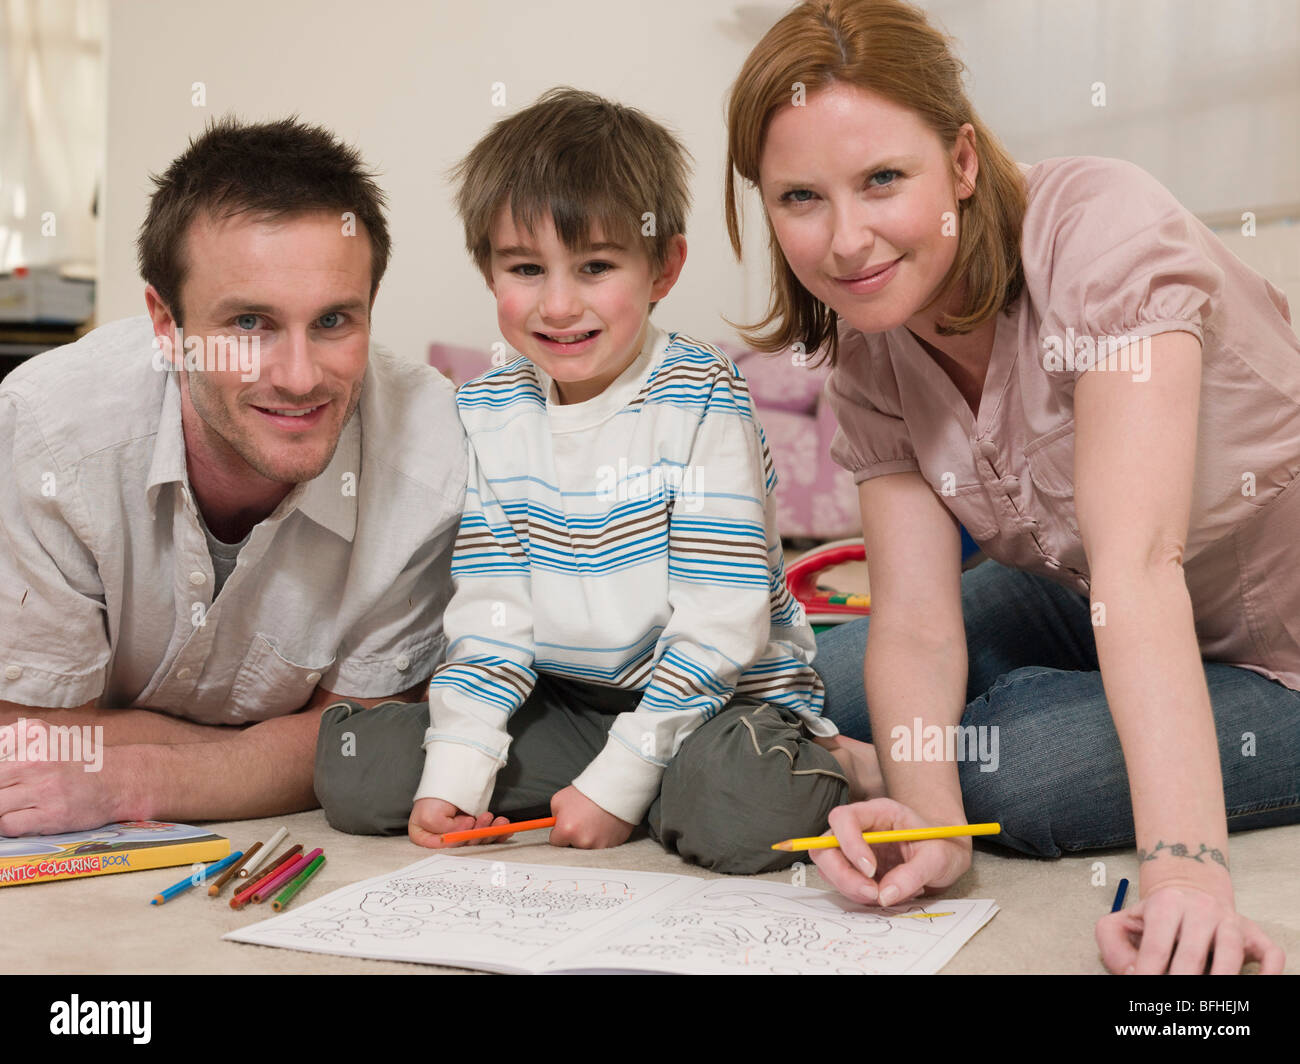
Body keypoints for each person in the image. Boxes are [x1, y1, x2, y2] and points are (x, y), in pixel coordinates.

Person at [724, 0, 1296, 972]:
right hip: (1087, 598)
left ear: (960, 160)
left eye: (882, 179)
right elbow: (914, 623)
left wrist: (1187, 877)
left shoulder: (1103, 235)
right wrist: (928, 821)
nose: (847, 240)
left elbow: (1139, 564)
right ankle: (943, 758)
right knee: (829, 678)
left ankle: (1033, 732)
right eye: (801, 197)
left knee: (1016, 766)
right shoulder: (869, 346)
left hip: (1270, 641)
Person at [314, 87, 880, 874]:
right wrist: (457, 769)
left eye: (595, 266)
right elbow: (492, 618)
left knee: (741, 807)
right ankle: (649, 792)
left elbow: (721, 626)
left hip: (717, 701)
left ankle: (828, 765)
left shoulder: (703, 397)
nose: (558, 304)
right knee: (355, 772)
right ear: (488, 272)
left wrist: (622, 778)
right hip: (568, 705)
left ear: (663, 268)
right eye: (525, 268)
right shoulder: (485, 412)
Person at [0, 116, 465, 835]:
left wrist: (131, 776)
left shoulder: (429, 453)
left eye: (334, 321)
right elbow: (32, 743)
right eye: (249, 323)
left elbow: (358, 744)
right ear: (166, 324)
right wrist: (266, 750)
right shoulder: (49, 432)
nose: (300, 378)